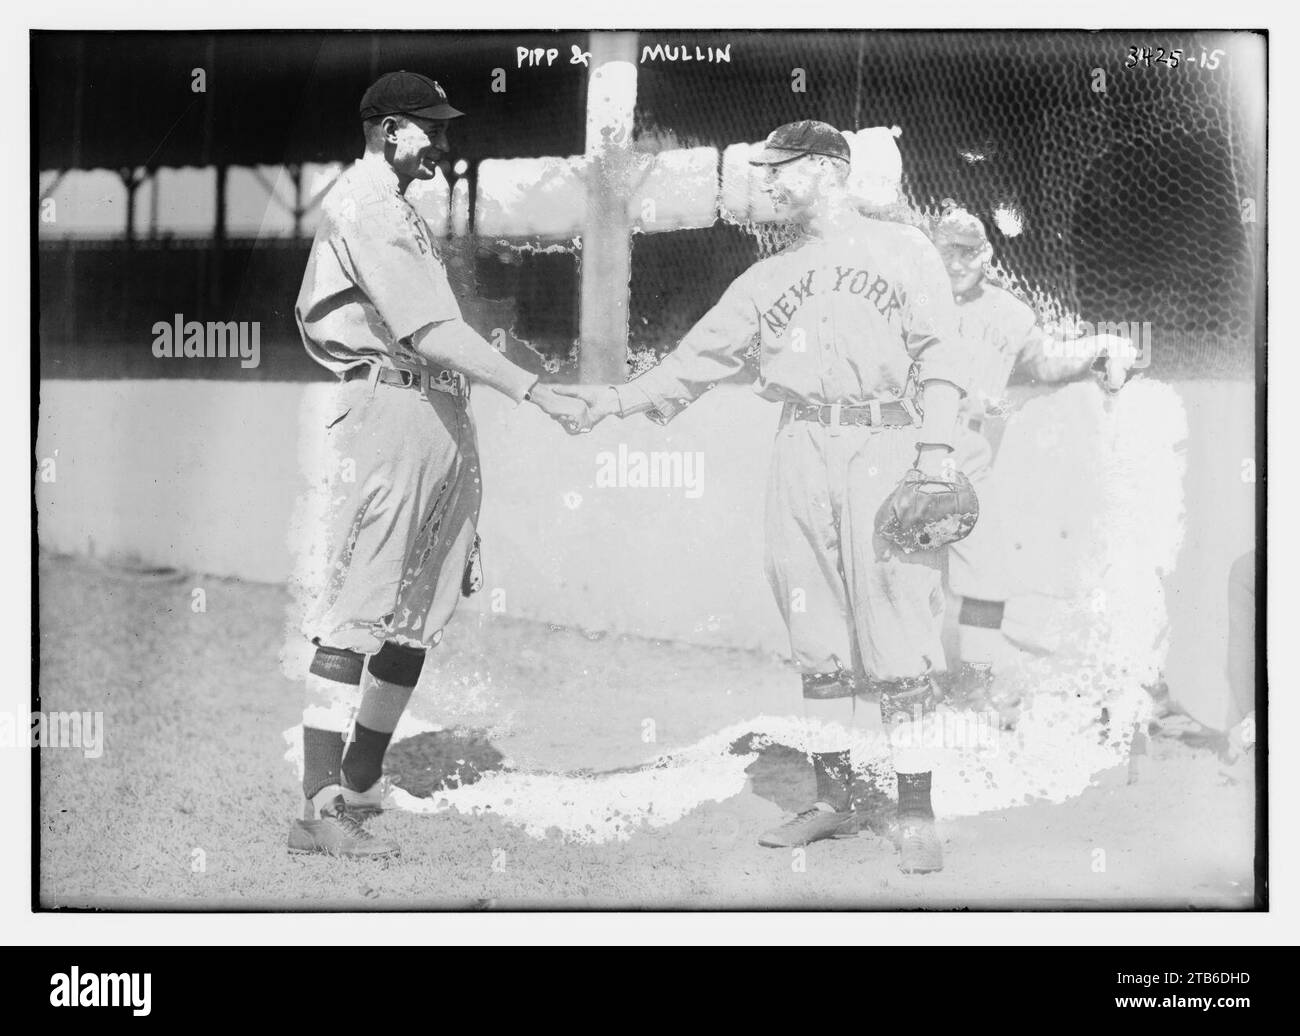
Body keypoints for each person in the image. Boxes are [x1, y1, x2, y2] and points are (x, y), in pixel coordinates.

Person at [557, 121, 972, 873]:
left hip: (886, 443)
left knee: (901, 630)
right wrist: (611, 404)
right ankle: (833, 801)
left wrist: (936, 454)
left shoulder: (904, 249)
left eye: (779, 171)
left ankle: (916, 811)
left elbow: (942, 351)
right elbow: (694, 361)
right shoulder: (765, 278)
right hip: (800, 449)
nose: (769, 184)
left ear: (824, 170)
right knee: (816, 633)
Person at [288, 70, 586, 858]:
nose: (443, 143)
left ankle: (358, 780)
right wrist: (535, 390)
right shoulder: (365, 205)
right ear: (389, 128)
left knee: (417, 612)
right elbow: (426, 331)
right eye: (431, 129)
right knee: (360, 607)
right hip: (390, 405)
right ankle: (318, 809)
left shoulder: (401, 209)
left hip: (434, 409)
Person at [931, 207, 1136, 691]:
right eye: (947, 253)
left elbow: (1044, 361)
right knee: (900, 580)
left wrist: (1100, 345)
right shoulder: (908, 300)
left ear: (987, 255)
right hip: (901, 444)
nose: (957, 264)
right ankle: (899, 686)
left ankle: (973, 688)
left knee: (984, 578)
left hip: (968, 455)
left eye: (969, 253)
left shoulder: (1009, 312)